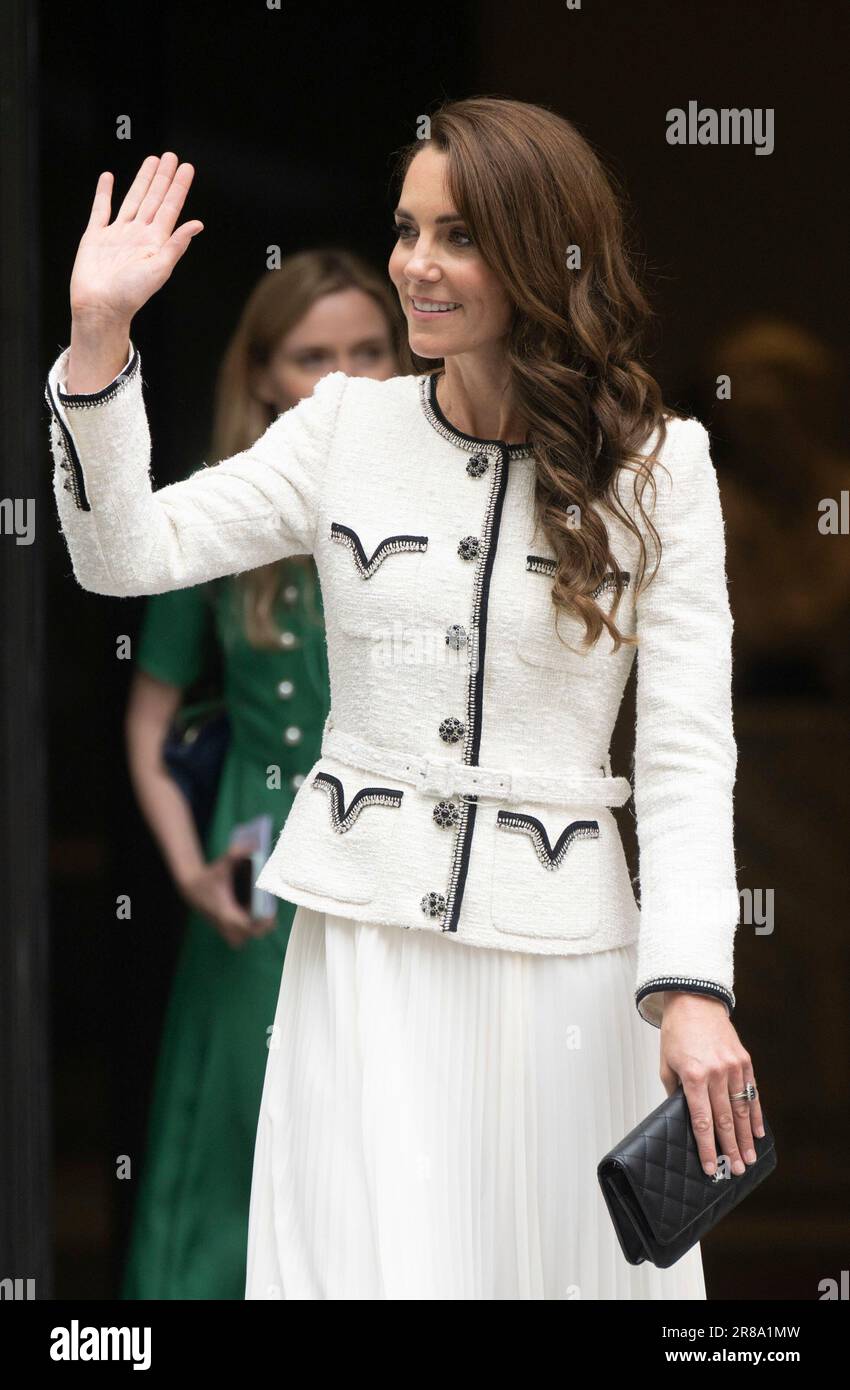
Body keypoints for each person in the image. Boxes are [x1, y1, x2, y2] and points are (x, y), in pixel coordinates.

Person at [44, 96, 764, 1300]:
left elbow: (691, 756)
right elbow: (125, 554)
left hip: (567, 971)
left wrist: (691, 987)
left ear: (543, 253)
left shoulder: (661, 467)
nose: (412, 266)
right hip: (364, 956)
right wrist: (97, 344)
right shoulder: (342, 429)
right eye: (405, 228)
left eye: (457, 236)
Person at [119, 254, 405, 1299]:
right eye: (312, 355)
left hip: (398, 849)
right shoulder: (215, 507)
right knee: (244, 1122)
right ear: (264, 371)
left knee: (382, 1133)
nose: (343, 378)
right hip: (256, 850)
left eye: (368, 351)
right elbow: (150, 717)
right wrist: (193, 866)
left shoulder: (442, 495)